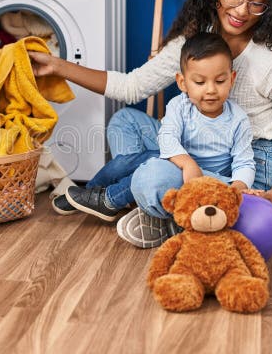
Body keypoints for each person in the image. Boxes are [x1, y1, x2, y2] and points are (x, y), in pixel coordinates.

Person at [30, 0, 272, 248]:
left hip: (253, 170)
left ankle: (156, 210)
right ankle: (173, 205)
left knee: (152, 180)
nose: (241, 11)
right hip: (197, 151)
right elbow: (131, 87)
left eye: (256, 3)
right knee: (125, 122)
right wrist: (59, 66)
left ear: (271, 6)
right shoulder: (197, 40)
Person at [56, 32, 255, 223]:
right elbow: (167, 137)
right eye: (200, 82)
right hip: (182, 164)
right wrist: (186, 163)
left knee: (152, 161)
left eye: (220, 81)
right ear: (182, 83)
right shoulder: (179, 106)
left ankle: (109, 200)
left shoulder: (238, 119)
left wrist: (238, 186)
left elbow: (244, 162)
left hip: (205, 179)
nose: (211, 89)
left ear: (232, 78)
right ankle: (94, 193)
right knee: (126, 122)